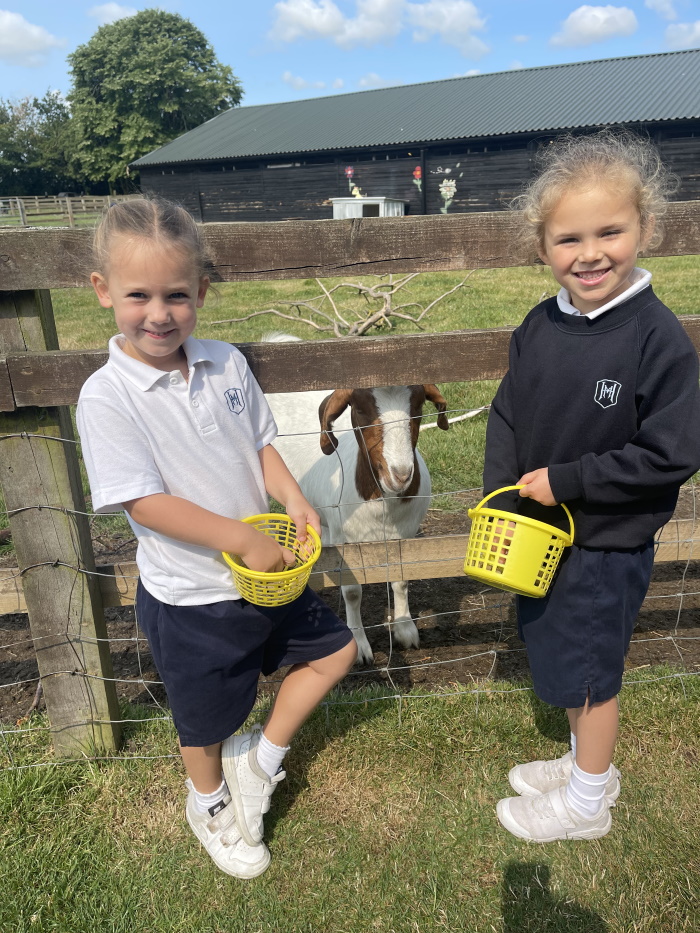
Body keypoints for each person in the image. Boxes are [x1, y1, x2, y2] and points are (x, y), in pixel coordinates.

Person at [76, 196, 357, 878]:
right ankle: (207, 803)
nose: (158, 312)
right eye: (138, 294)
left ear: (200, 290)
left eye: (176, 294)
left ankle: (259, 764)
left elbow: (259, 443)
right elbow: (142, 502)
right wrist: (242, 537)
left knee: (336, 651)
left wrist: (290, 497)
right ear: (102, 290)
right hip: (190, 595)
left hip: (268, 575)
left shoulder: (227, 364)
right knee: (203, 722)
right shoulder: (107, 396)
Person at [483, 130, 700, 842]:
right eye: (569, 238)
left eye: (611, 230)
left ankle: (586, 806)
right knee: (558, 651)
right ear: (542, 247)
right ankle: (586, 763)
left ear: (645, 228)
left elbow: (673, 453)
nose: (591, 252)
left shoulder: (655, 337)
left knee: (590, 673)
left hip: (607, 541)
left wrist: (571, 481)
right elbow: (510, 411)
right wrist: (502, 498)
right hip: (542, 534)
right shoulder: (539, 325)